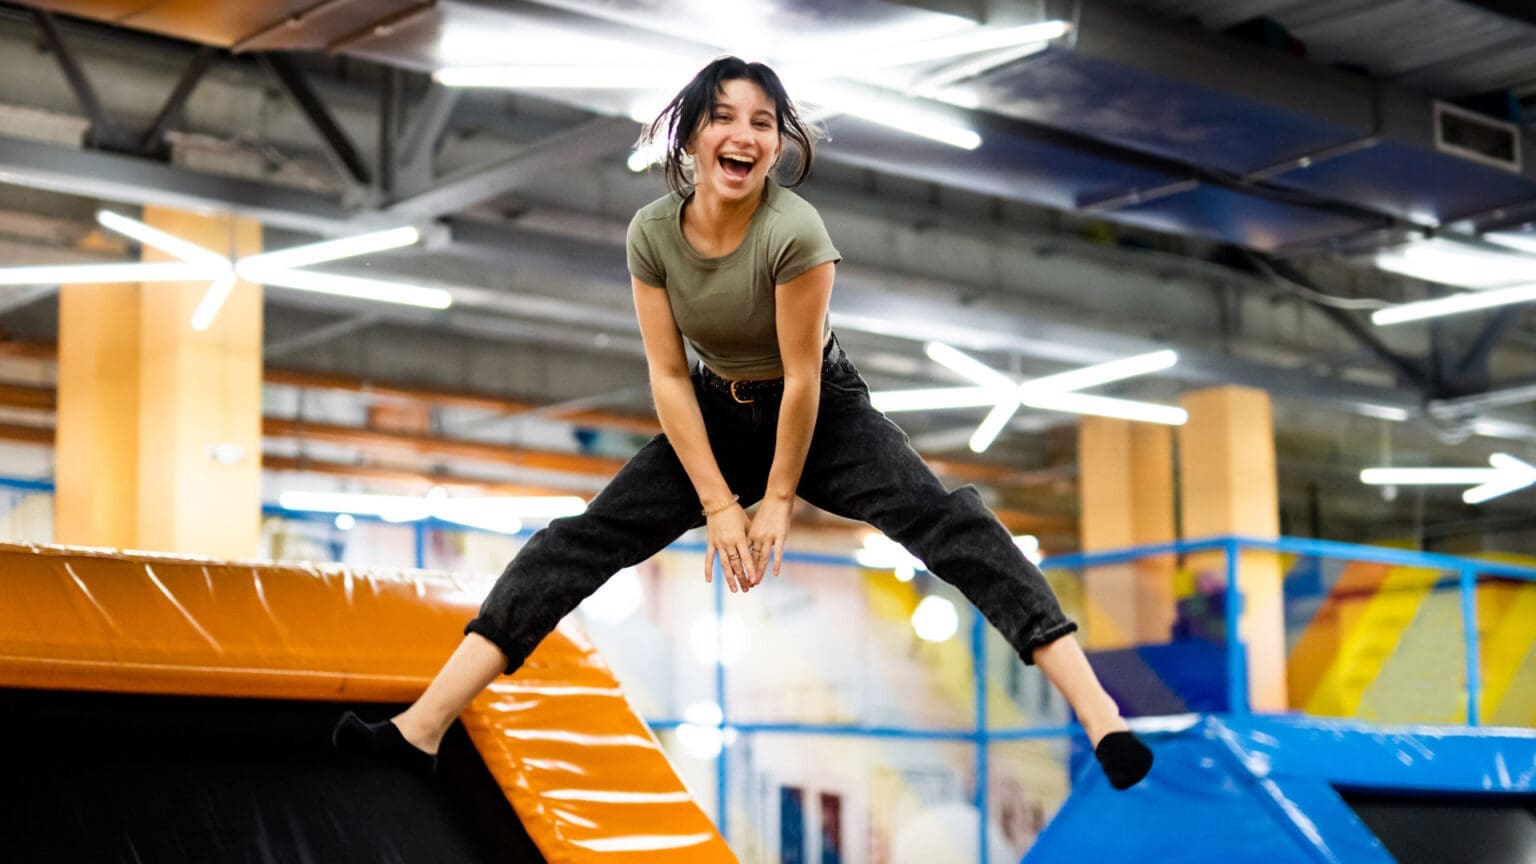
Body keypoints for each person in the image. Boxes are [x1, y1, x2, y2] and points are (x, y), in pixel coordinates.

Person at [334, 56, 1153, 791]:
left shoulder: (796, 233)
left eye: (762, 122)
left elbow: (801, 381)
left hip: (823, 413)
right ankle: (422, 728)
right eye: (725, 117)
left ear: (777, 145)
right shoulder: (651, 234)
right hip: (711, 408)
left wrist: (776, 503)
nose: (744, 134)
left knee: (949, 521)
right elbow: (664, 374)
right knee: (575, 542)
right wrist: (720, 502)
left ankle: (1099, 712)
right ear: (691, 137)